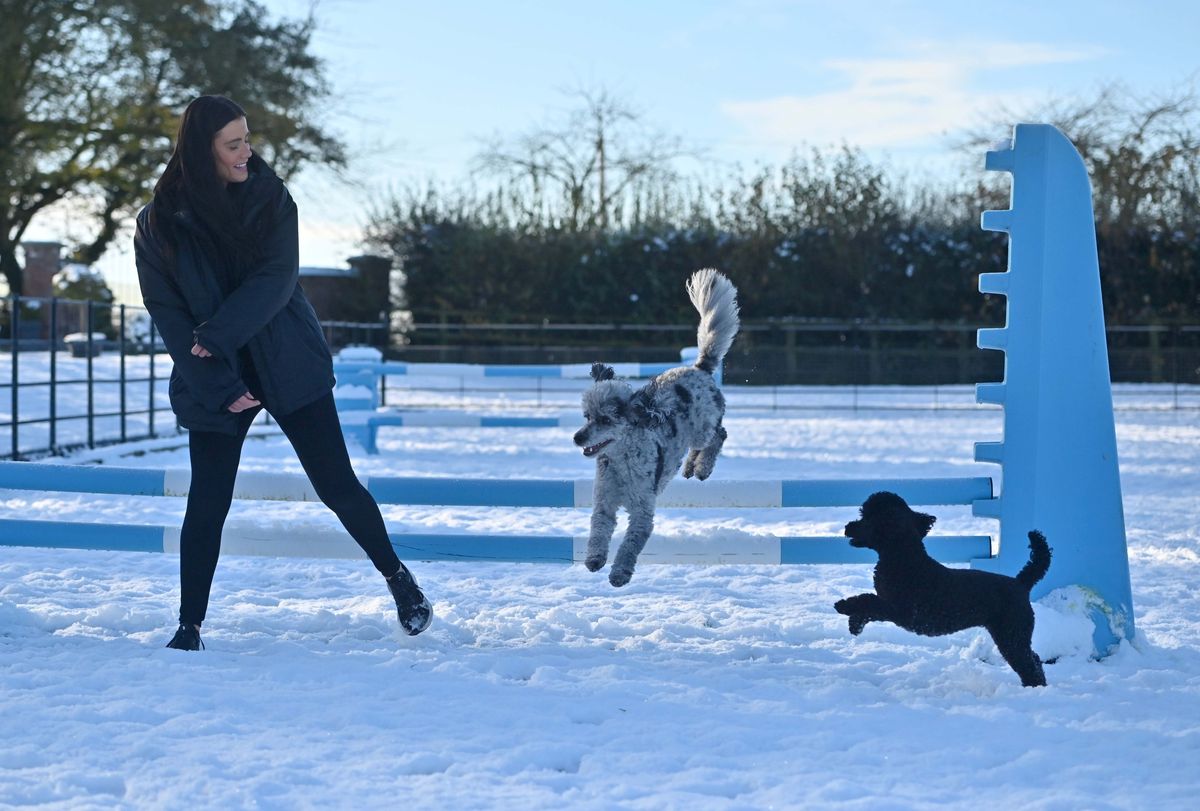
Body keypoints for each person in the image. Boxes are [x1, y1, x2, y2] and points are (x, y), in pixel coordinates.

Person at [134, 95, 431, 650]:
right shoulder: (156, 224)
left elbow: (277, 278)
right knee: (208, 499)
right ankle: (189, 624)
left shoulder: (271, 198)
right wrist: (216, 379)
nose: (247, 151)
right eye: (234, 144)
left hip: (285, 357)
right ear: (203, 150)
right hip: (213, 373)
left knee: (336, 483)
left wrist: (216, 335)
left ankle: (400, 582)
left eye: (248, 138)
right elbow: (166, 309)